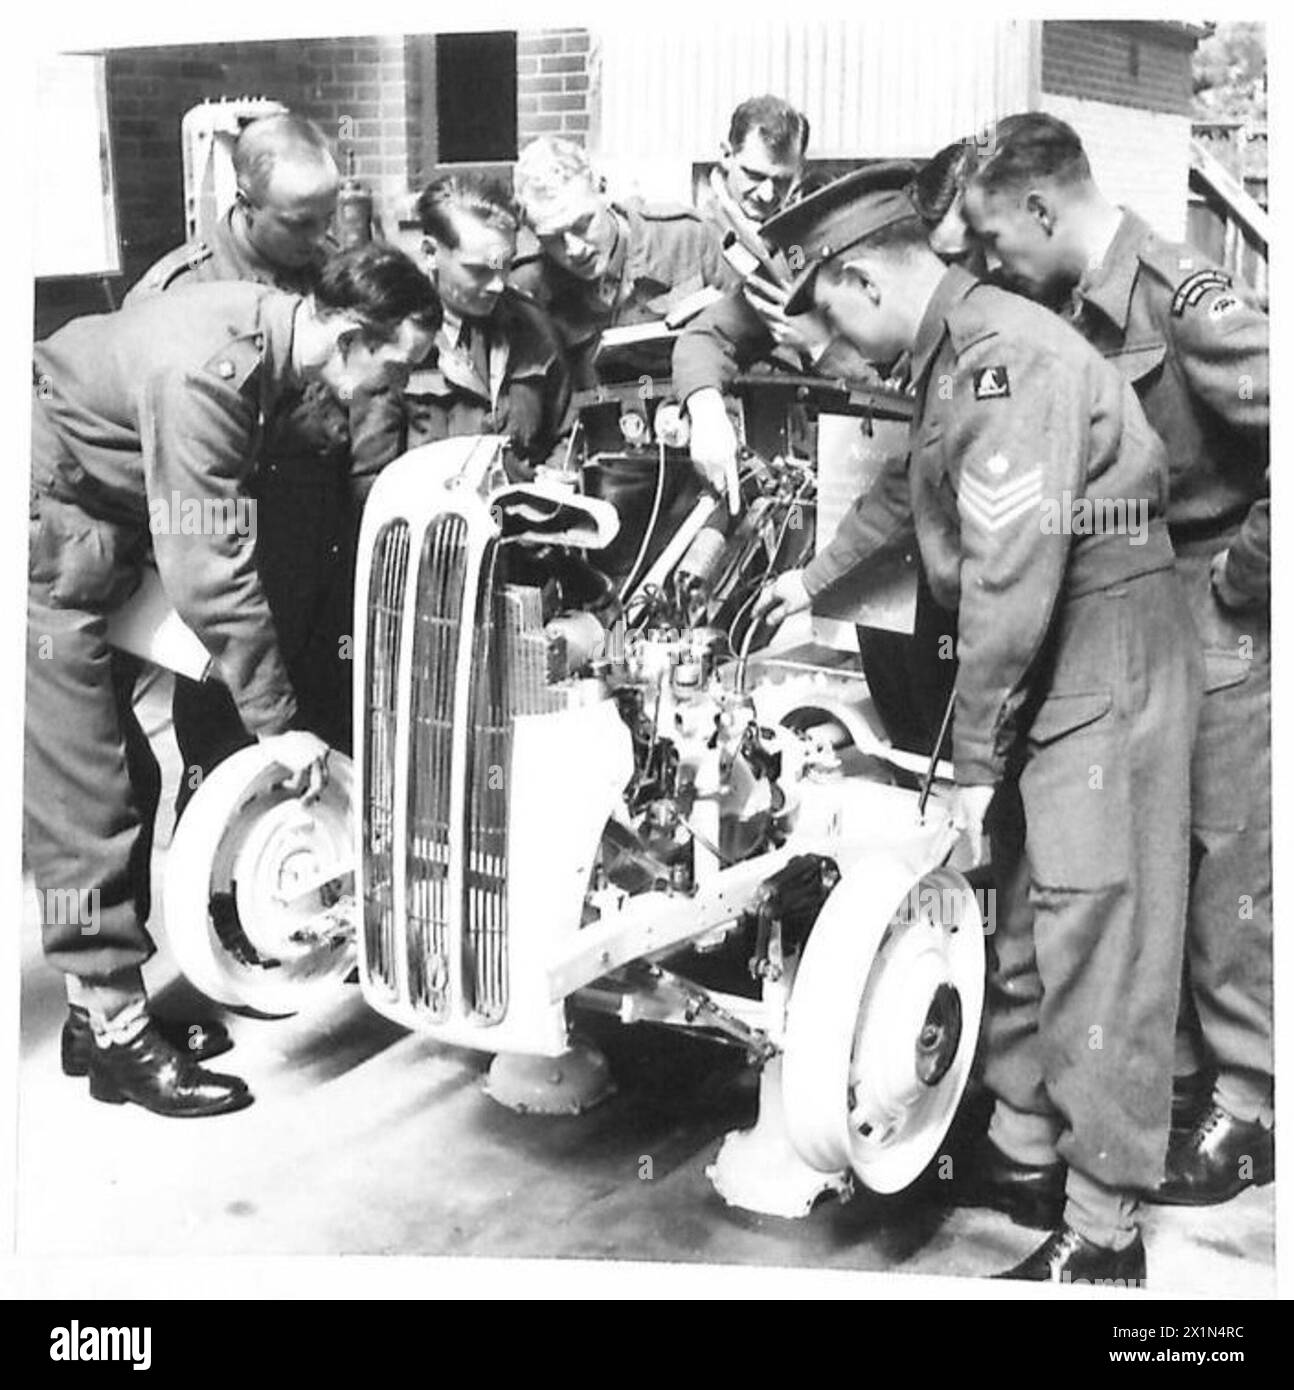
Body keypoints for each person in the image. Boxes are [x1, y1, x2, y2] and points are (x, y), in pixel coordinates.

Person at [751, 163, 1200, 1284]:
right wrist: (808, 580)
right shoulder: (960, 349)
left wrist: (971, 760)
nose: (844, 365)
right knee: (1015, 921)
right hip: (1054, 647)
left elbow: (1008, 579)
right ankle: (1022, 1148)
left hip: (1095, 653)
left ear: (857, 278)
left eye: (834, 337)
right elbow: (910, 487)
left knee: (1096, 936)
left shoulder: (1008, 365)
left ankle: (1103, 1235)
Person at [27, 245, 441, 1117]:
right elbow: (209, 562)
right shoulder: (209, 377)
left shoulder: (268, 329)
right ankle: (118, 1042)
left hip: (91, 519)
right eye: (393, 370)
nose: (389, 393)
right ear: (350, 339)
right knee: (84, 799)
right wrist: (276, 722)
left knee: (128, 779)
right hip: (41, 531)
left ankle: (89, 1010)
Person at [960, 112, 1272, 1205]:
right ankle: (1176, 1083)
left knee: (1222, 857)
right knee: (1145, 868)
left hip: (1209, 597)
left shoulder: (1180, 292)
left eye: (997, 240)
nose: (991, 266)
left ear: (1043, 209)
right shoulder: (1062, 306)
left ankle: (1249, 1101)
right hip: (1125, 601)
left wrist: (1243, 578)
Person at [125, 111, 355, 796]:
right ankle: (221, 900)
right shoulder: (176, 295)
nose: (320, 240)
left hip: (324, 550)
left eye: (327, 217)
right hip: (231, 560)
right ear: (245, 205)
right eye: (300, 223)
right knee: (228, 757)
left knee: (329, 749)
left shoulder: (330, 274)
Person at [511, 136, 736, 580]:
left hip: (703, 475)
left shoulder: (687, 239)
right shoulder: (530, 285)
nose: (573, 248)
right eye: (552, 238)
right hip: (603, 494)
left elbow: (747, 341)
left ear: (602, 187)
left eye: (581, 224)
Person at [349, 173, 571, 500]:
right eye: (479, 270)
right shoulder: (394, 338)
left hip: (528, 535)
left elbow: (567, 431)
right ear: (429, 252)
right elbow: (371, 480)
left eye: (506, 266)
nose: (498, 284)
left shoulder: (533, 324)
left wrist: (557, 477)